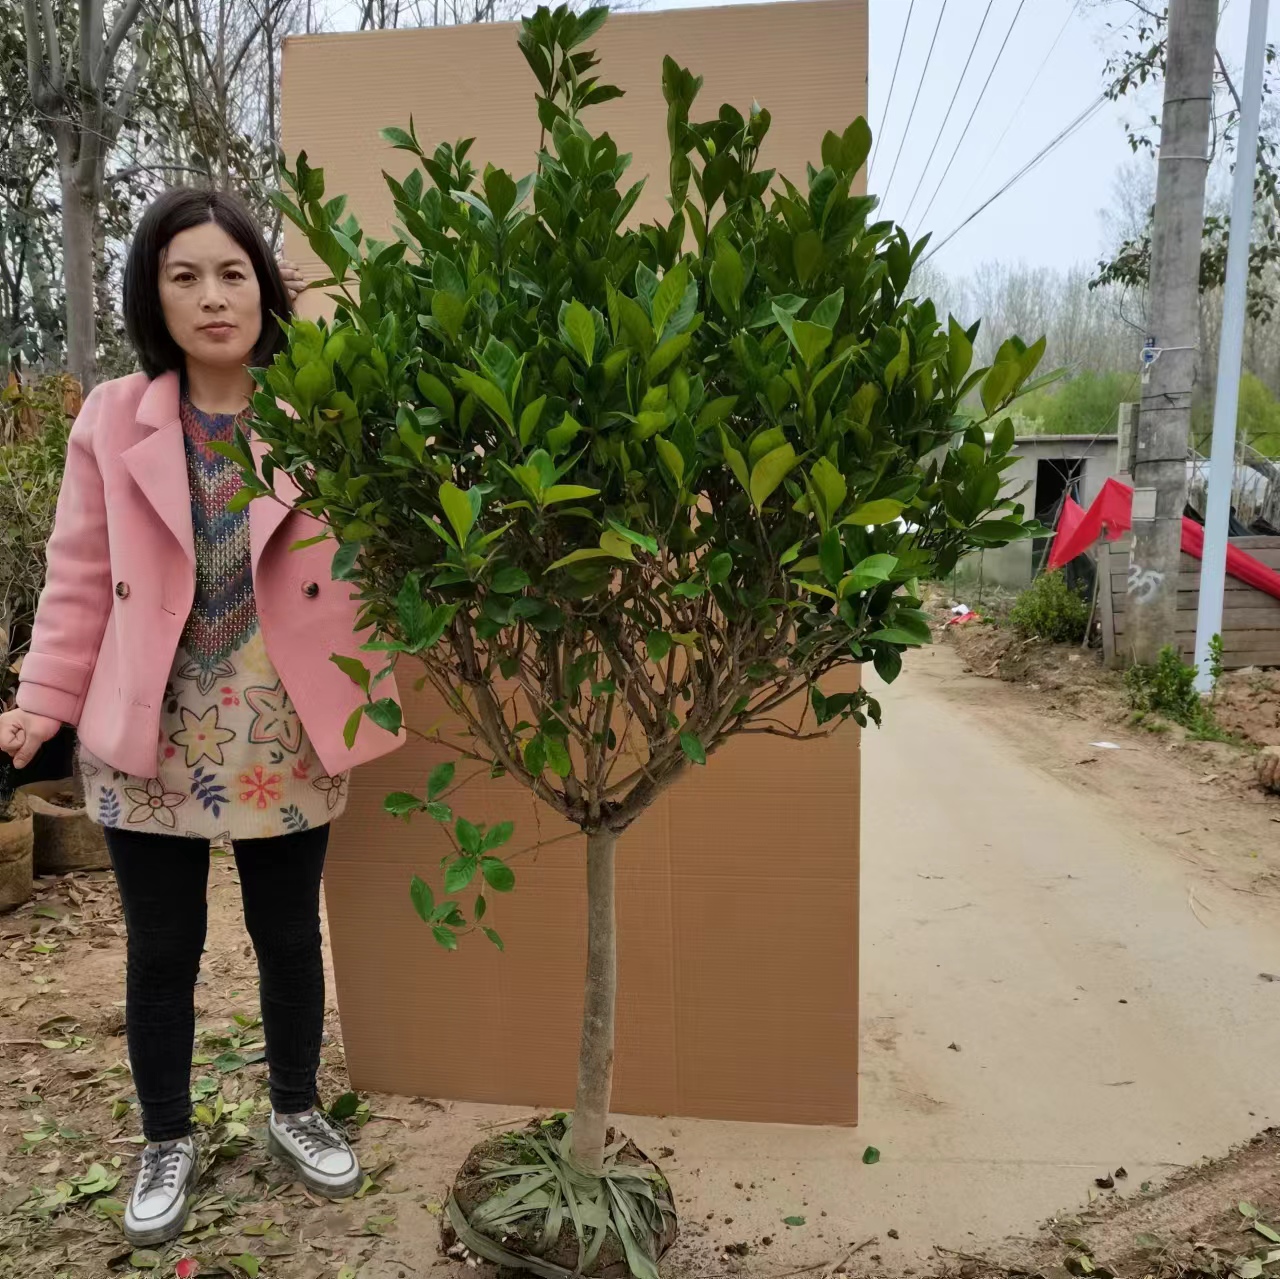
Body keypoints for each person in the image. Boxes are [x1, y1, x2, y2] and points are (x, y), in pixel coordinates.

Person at [0, 189, 404, 1247]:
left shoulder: (320, 408)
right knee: (162, 946)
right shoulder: (109, 415)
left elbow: (392, 549)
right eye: (184, 275)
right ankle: (166, 1136)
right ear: (154, 293)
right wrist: (41, 698)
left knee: (286, 934)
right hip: (149, 722)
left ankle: (296, 1109)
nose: (211, 296)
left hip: (288, 717)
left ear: (263, 289)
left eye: (231, 272)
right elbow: (78, 573)